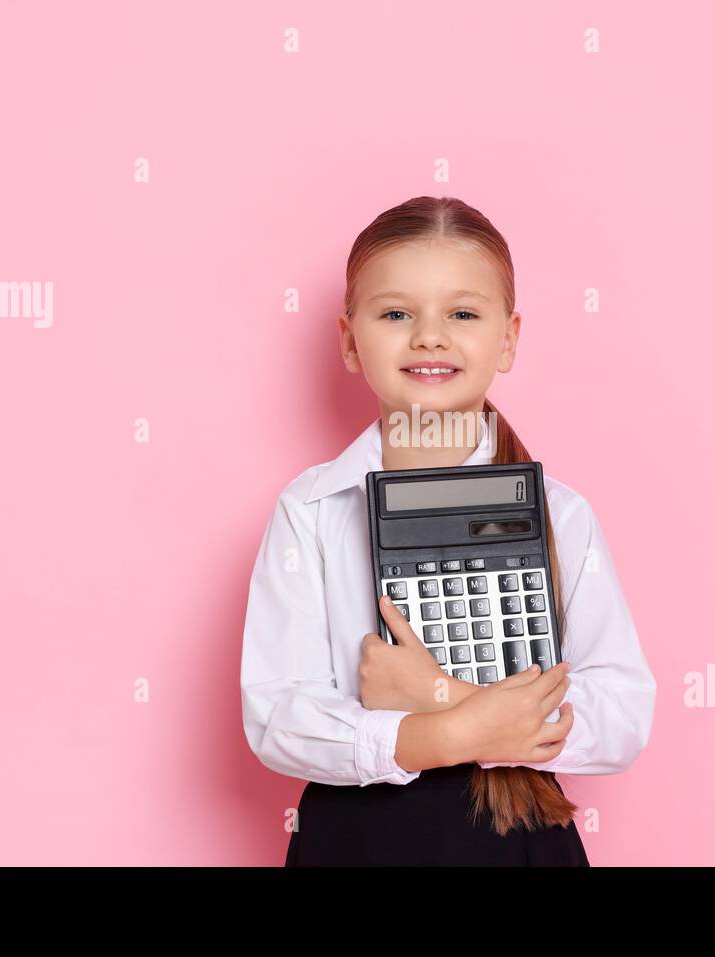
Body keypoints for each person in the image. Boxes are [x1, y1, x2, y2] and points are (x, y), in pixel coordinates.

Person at [240, 195, 657, 865]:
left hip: (515, 839)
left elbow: (623, 715)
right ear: (350, 339)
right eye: (396, 313)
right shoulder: (311, 509)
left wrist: (444, 697)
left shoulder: (563, 513)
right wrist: (448, 731)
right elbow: (278, 715)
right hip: (355, 843)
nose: (429, 336)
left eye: (462, 313)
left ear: (509, 337)